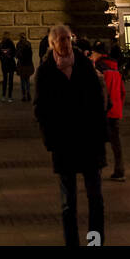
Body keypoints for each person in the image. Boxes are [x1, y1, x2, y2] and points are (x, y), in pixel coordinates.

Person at [34, 24, 107, 247]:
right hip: (64, 144)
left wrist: (101, 134)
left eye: (67, 38)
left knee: (95, 199)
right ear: (52, 44)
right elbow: (41, 110)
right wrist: (51, 140)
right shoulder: (45, 72)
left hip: (89, 142)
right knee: (68, 203)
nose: (65, 43)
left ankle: (96, 242)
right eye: (60, 40)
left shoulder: (85, 65)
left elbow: (99, 102)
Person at [92, 42, 126, 179]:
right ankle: (120, 169)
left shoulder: (98, 69)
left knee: (97, 142)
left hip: (101, 111)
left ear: (98, 54)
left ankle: (97, 170)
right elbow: (123, 92)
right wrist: (118, 106)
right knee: (116, 142)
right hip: (115, 111)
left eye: (93, 53)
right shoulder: (116, 70)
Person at [0, 33, 17, 102]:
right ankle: (8, 96)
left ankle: (7, 96)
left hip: (7, 64)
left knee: (7, 80)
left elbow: (14, 53)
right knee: (7, 80)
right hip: (7, 64)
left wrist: (5, 57)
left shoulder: (5, 44)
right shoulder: (2, 44)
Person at [15, 34, 34, 102]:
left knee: (23, 81)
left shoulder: (19, 45)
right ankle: (28, 93)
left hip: (22, 65)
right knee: (27, 80)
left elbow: (17, 55)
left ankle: (24, 95)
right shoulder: (28, 44)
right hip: (28, 64)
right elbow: (31, 54)